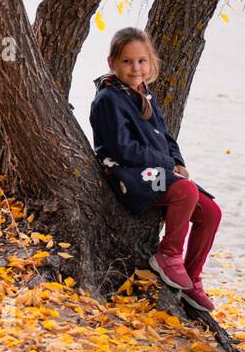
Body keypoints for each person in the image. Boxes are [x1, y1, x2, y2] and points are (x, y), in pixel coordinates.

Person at [90, 27, 222, 312]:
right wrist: (166, 165)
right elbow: (122, 150)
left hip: (155, 170)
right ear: (111, 62)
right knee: (184, 191)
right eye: (127, 61)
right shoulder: (108, 99)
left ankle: (192, 279)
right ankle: (168, 256)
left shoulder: (144, 93)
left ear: (150, 63)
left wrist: (179, 162)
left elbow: (166, 136)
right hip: (126, 174)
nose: (135, 68)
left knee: (211, 212)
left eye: (141, 61)